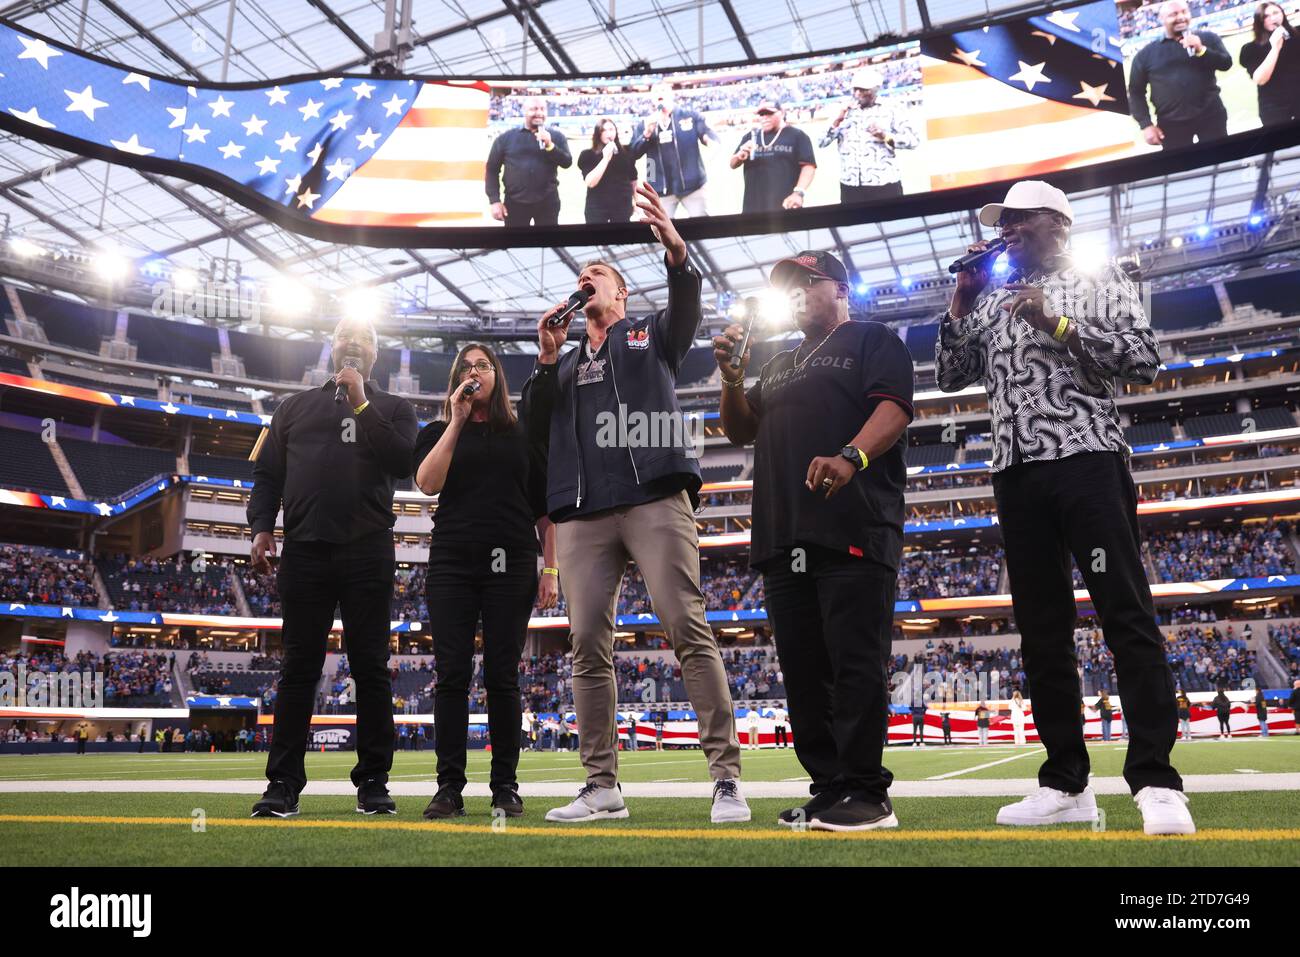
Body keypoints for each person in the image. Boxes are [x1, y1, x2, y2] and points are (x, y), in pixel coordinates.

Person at [937, 179, 1194, 835]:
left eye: (1019, 220)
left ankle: (1157, 781)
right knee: (1042, 631)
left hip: (1087, 459)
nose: (1007, 231)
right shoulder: (991, 297)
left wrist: (1057, 321)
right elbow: (950, 374)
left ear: (1057, 221)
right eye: (1003, 224)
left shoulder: (1100, 276)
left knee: (1124, 614)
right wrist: (958, 308)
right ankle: (1065, 783)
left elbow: (1143, 358)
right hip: (1016, 472)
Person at [523, 182, 747, 824]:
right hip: (582, 514)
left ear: (619, 293)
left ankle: (726, 779)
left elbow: (685, 307)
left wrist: (678, 254)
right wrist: (544, 359)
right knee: (586, 642)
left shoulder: (650, 335)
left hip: (652, 498)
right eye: (580, 275)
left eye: (597, 274)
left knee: (685, 625)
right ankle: (601, 786)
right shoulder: (562, 366)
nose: (585, 279)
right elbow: (533, 432)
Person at [715, 248, 913, 831]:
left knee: (855, 664)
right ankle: (829, 787)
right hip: (783, 533)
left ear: (840, 288)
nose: (797, 293)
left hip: (852, 524)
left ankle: (868, 794)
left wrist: (852, 455)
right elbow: (740, 428)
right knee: (803, 674)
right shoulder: (777, 362)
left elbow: (896, 408)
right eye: (789, 287)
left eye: (808, 282)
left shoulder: (873, 339)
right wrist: (731, 379)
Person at [247, 315, 417, 818]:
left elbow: (402, 461)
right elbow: (266, 474)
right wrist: (261, 527)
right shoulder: (294, 408)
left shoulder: (393, 408)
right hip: (303, 550)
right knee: (297, 669)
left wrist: (362, 402)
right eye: (345, 336)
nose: (353, 344)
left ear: (374, 354)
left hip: (368, 550)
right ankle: (282, 784)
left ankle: (372, 783)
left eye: (364, 339)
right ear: (331, 346)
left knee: (371, 670)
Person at [414, 343, 556, 821]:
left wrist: (551, 569)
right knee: (451, 676)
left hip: (512, 562)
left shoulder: (522, 433)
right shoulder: (438, 431)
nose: (475, 373)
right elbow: (427, 483)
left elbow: (544, 511)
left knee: (503, 676)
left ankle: (505, 787)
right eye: (466, 368)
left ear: (497, 376)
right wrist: (455, 420)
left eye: (483, 366)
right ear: (457, 380)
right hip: (453, 561)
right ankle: (449, 787)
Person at [1127, 0, 1232, 150]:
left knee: (1221, 160)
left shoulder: (1207, 38)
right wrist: (1146, 125)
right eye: (1173, 14)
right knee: (1181, 167)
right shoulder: (1146, 54)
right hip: (1171, 124)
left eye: (1184, 12)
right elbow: (1136, 92)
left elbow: (1226, 64)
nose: (1181, 17)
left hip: (1212, 116)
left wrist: (1201, 50)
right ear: (1161, 19)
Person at [819, 68, 917, 203]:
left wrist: (885, 136)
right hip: (850, 186)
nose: (857, 93)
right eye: (855, 89)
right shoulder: (844, 110)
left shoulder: (892, 109)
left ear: (875, 89)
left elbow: (913, 141)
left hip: (884, 184)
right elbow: (821, 143)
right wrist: (837, 120)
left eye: (863, 89)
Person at [630, 84, 718, 217]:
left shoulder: (689, 116)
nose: (660, 93)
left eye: (663, 89)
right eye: (656, 91)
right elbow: (633, 154)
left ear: (671, 94)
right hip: (659, 187)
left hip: (693, 185)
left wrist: (711, 143)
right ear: (652, 98)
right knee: (663, 233)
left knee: (701, 228)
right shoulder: (644, 123)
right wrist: (646, 134)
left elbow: (706, 134)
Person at [485, 95, 572, 226]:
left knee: (548, 245)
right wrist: (494, 201)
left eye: (543, 109)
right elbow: (492, 170)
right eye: (534, 109)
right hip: (514, 203)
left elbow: (567, 163)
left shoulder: (556, 136)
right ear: (524, 111)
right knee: (516, 244)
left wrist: (550, 145)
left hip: (547, 202)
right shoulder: (506, 138)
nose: (539, 113)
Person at [729, 100, 816, 214]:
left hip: (786, 204)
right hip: (752, 207)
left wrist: (798, 193)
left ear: (782, 113)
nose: (764, 117)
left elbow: (808, 166)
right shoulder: (751, 136)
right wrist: (740, 156)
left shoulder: (797, 136)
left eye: (769, 113)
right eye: (761, 114)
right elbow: (732, 164)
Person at [1238, 3, 1299, 127]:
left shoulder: (1297, 35)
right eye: (1266, 16)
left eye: (1275, 13)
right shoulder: (1251, 48)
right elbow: (1260, 79)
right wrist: (1275, 48)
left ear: (1282, 13)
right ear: (1259, 22)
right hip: (1275, 108)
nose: (1272, 18)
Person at [577, 118, 642, 224]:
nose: (609, 133)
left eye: (611, 129)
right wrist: (605, 159)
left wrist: (637, 202)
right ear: (598, 133)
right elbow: (590, 182)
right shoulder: (588, 155)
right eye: (604, 130)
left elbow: (633, 179)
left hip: (622, 206)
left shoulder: (626, 152)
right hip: (597, 207)